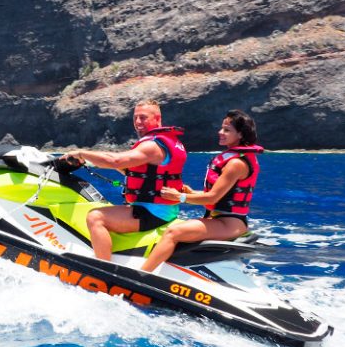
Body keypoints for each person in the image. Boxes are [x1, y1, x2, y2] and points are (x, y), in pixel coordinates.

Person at [60, 100, 187, 261]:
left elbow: (116, 161)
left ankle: (104, 268)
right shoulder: (167, 142)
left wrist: (82, 153)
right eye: (135, 118)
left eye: (143, 117)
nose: (138, 122)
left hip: (152, 213)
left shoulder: (152, 146)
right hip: (162, 210)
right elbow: (135, 171)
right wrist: (94, 161)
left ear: (157, 118)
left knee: (95, 217)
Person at [141, 109, 263, 273]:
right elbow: (223, 196)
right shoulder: (235, 158)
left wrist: (180, 197)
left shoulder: (236, 164)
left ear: (240, 134)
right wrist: (191, 193)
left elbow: (212, 198)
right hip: (222, 220)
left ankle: (142, 275)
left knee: (173, 232)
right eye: (221, 128)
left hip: (229, 224)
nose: (220, 132)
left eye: (227, 130)